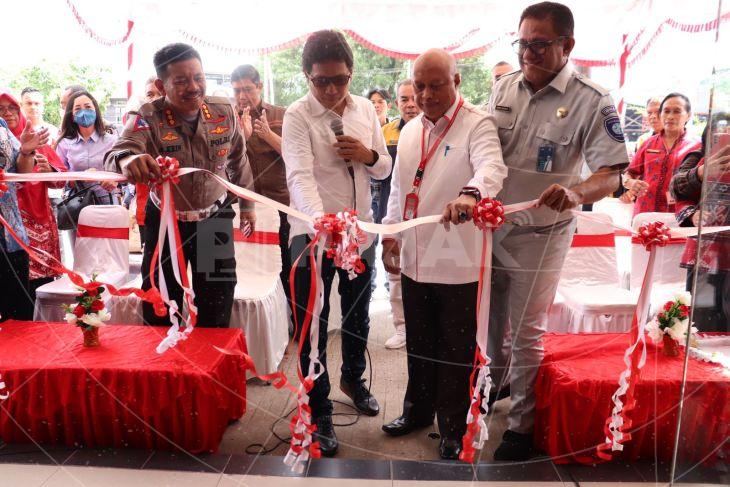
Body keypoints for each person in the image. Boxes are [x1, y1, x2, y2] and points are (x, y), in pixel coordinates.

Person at [486, 1, 630, 460]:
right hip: (493, 230)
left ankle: (521, 428)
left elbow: (612, 174)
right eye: (523, 43)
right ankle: (493, 388)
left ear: (567, 45)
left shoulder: (593, 100)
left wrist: (576, 192)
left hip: (543, 234)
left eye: (540, 44)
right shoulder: (503, 88)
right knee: (490, 323)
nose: (528, 53)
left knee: (526, 329)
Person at [380, 49, 507, 460]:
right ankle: (417, 412)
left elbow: (492, 167)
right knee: (419, 341)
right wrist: (390, 232)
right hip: (415, 255)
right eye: (420, 86)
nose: (427, 94)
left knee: (455, 348)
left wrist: (472, 193)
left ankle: (453, 426)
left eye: (436, 85)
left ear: (457, 82)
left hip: (458, 260)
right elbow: (399, 188)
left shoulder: (477, 123)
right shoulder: (411, 128)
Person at [282, 29, 392, 457]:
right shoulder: (297, 115)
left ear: (351, 73)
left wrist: (366, 154)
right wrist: (320, 220)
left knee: (357, 315)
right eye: (320, 81)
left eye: (339, 80)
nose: (330, 89)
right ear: (306, 76)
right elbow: (299, 176)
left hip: (359, 234)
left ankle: (352, 377)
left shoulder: (365, 109)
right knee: (311, 322)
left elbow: (383, 170)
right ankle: (319, 403)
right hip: (311, 234)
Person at [105, 43, 255, 329]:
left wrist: (247, 206)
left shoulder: (224, 112)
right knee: (160, 304)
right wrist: (128, 160)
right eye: (182, 81)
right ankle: (164, 370)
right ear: (162, 85)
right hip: (165, 222)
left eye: (198, 77)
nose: (194, 87)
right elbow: (117, 152)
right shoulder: (148, 116)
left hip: (213, 220)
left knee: (216, 303)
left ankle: (208, 370)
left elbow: (239, 159)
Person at [231, 64, 291, 307]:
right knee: (247, 267)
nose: (242, 96)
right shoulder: (225, 118)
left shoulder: (282, 115)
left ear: (260, 86)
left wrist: (268, 135)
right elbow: (222, 163)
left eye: (247, 89)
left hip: (281, 207)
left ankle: (291, 326)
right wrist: (241, 140)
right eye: (236, 91)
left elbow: (297, 158)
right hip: (242, 209)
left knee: (285, 267)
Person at [0, 91, 66, 299]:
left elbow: (62, 178)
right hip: (7, 226)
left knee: (40, 290)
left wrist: (49, 171)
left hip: (37, 223)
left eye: (11, 108)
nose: (7, 113)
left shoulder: (37, 140)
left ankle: (37, 330)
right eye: (1, 109)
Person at [670, 113, 730, 331]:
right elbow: (676, 190)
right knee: (702, 319)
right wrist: (692, 214)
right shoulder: (699, 158)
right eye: (719, 132)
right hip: (705, 251)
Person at [379, 79, 420, 350]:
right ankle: (401, 328)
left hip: (424, 218)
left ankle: (420, 328)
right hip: (392, 212)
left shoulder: (436, 132)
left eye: (414, 97)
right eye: (404, 99)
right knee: (395, 275)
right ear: (397, 103)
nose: (410, 103)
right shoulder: (386, 132)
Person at [0, 109, 49, 321]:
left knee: (18, 313)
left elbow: (21, 175)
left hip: (10, 234)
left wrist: (27, 151)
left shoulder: (1, 127)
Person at [623, 93, 700, 216]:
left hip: (679, 215)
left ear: (688, 115)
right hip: (644, 213)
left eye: (677, 111)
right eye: (666, 111)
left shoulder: (697, 146)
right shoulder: (648, 143)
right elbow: (630, 172)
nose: (670, 116)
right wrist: (630, 183)